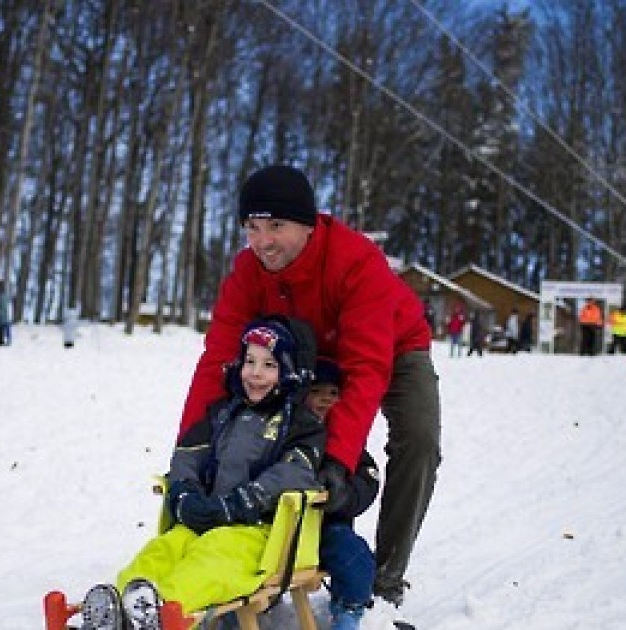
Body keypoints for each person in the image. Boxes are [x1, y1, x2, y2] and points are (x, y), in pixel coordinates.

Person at [177, 164, 440, 608]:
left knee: (418, 440)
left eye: (276, 226)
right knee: (282, 441)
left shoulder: (356, 262)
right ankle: (275, 557)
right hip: (307, 355)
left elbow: (366, 368)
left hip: (393, 347)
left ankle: (384, 579)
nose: (263, 241)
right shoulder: (247, 272)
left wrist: (337, 461)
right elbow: (218, 361)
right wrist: (189, 448)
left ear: (309, 224)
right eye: (252, 228)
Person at [74, 318, 324, 629]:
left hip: (259, 532)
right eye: (249, 361)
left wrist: (243, 501)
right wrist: (185, 492)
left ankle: (159, 609)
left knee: (212, 557)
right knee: (166, 547)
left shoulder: (300, 425)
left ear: (289, 372)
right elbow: (189, 454)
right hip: (206, 517)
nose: (255, 373)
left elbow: (295, 472)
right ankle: (121, 604)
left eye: (269, 365)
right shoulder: (223, 413)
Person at [307, 358, 380, 630]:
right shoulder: (285, 433)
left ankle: (349, 607)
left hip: (327, 528)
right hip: (281, 532)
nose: (324, 400)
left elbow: (368, 478)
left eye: (333, 394)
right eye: (316, 392)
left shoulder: (346, 443)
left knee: (354, 558)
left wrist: (346, 497)